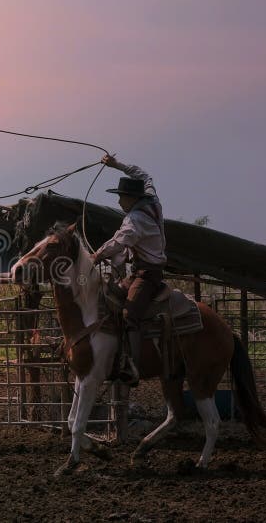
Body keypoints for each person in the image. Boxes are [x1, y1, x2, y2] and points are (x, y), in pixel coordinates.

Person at [91, 154, 167, 385]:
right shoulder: (152, 199)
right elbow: (143, 175)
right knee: (110, 298)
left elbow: (119, 241)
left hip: (147, 275)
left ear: (131, 198)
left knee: (129, 314)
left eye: (121, 197)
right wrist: (117, 165)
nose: (119, 201)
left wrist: (96, 255)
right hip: (139, 272)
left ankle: (131, 365)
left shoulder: (134, 220)